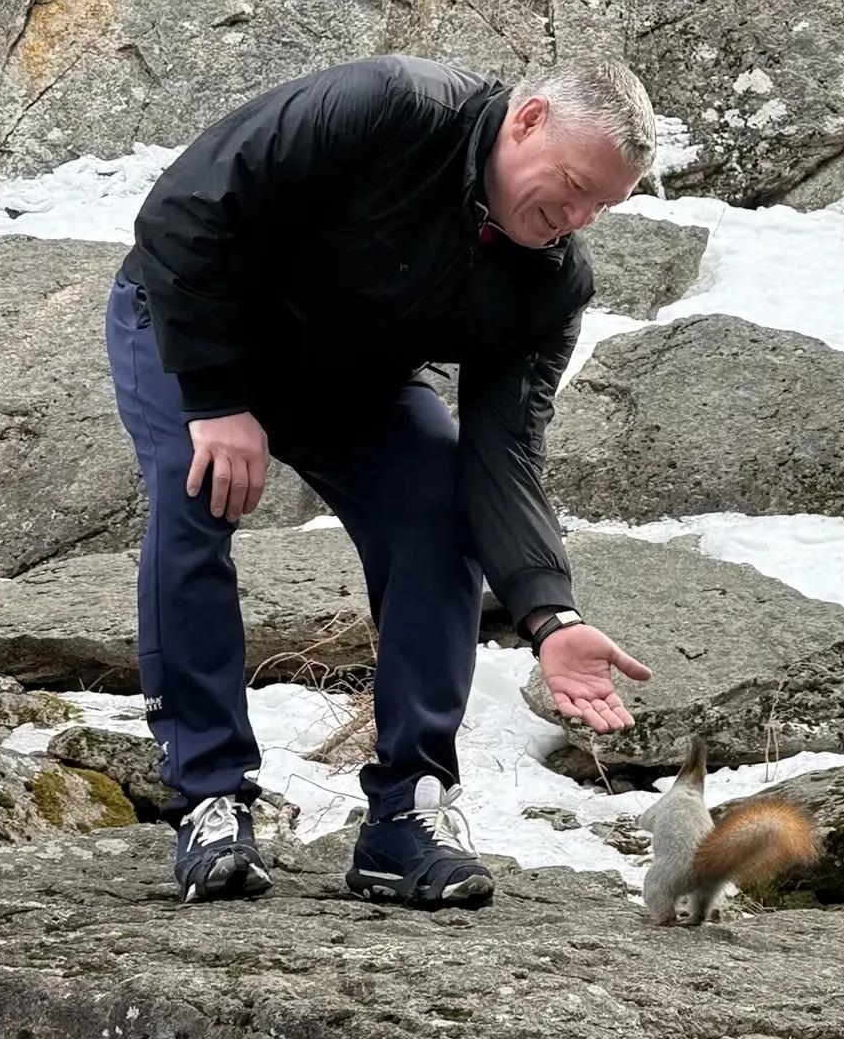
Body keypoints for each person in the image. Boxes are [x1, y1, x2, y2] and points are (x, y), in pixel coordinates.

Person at [105, 54, 654, 909]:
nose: (574, 219)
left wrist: (550, 613)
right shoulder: (387, 107)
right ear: (529, 118)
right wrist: (215, 400)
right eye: (574, 186)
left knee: (437, 507)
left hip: (349, 377)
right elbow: (182, 216)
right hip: (192, 318)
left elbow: (501, 455)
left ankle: (405, 816)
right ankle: (211, 796)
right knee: (195, 486)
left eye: (600, 208)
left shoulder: (551, 282)